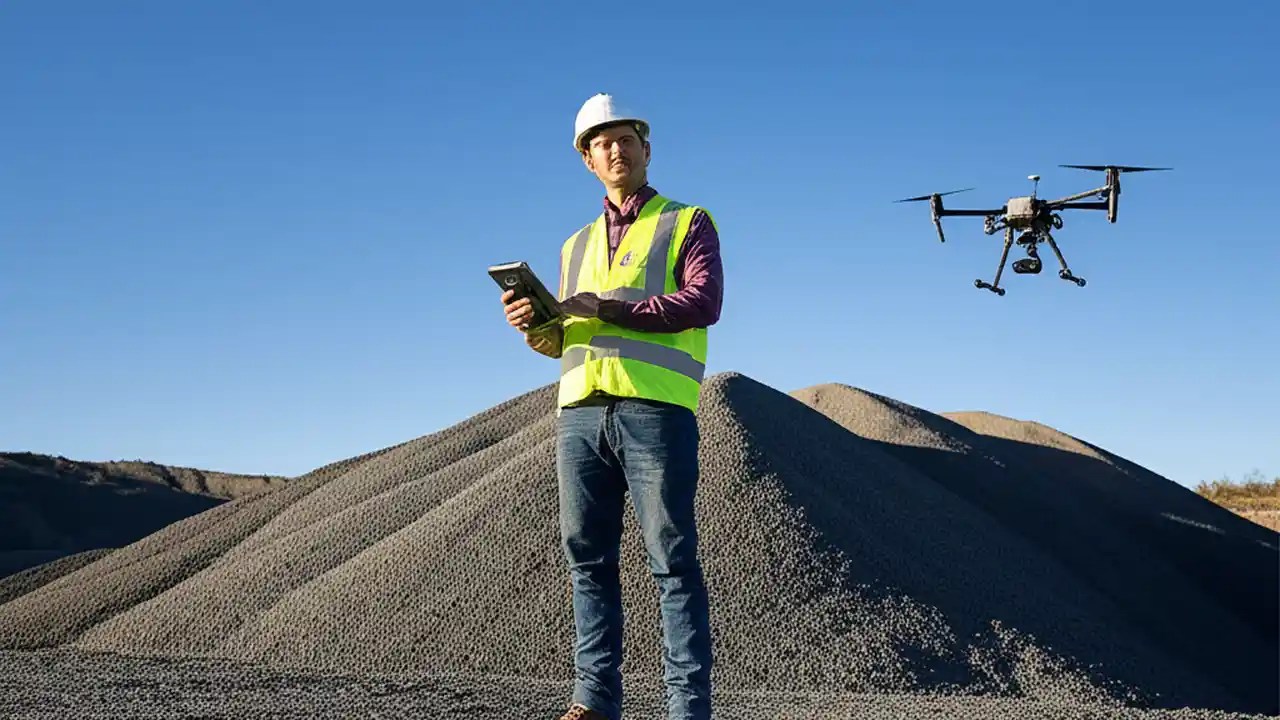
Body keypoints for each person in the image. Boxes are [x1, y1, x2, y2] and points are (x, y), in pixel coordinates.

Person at [500, 93, 723, 720]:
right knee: (587, 558)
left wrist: (612, 308)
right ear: (587, 161)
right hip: (579, 416)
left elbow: (703, 302)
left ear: (646, 150)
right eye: (602, 143)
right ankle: (594, 702)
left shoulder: (687, 221)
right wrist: (532, 326)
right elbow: (563, 340)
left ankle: (687, 709)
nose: (615, 150)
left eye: (625, 139)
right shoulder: (573, 247)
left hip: (655, 409)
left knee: (671, 559)